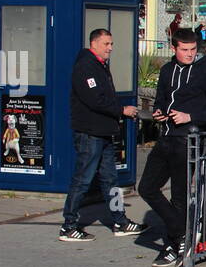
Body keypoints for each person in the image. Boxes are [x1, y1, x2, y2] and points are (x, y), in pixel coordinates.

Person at [139, 30, 206, 267]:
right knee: (147, 187)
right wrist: (159, 111)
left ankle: (174, 245)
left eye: (193, 49)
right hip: (165, 137)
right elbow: (162, 99)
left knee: (179, 196)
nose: (189, 54)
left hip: (189, 140)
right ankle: (180, 234)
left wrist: (190, 116)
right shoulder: (166, 70)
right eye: (184, 50)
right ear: (174, 49)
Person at [59, 28, 145, 242]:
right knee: (83, 179)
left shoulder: (99, 66)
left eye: (111, 44)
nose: (110, 48)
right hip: (90, 133)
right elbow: (95, 99)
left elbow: (104, 96)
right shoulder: (85, 67)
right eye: (106, 44)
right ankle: (68, 226)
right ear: (94, 43)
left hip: (104, 132)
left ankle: (120, 221)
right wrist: (121, 110)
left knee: (110, 180)